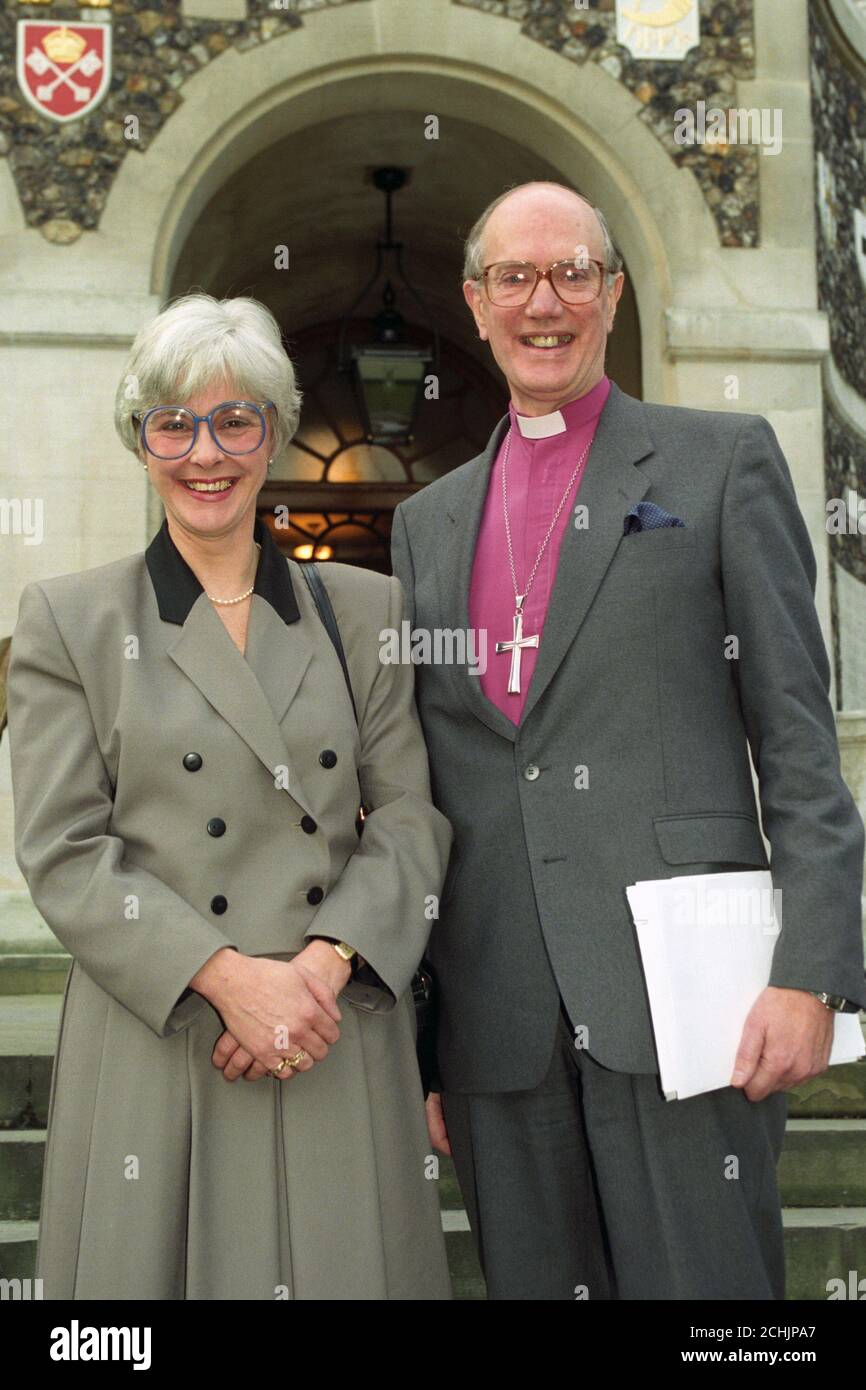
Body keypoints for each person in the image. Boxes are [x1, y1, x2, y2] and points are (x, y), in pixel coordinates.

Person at [390, 181, 866, 1300]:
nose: (541, 301)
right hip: (496, 1019)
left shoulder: (720, 461)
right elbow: (420, 788)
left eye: (570, 273)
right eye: (514, 276)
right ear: (474, 301)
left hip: (689, 999)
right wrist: (421, 1045)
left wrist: (813, 974)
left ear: (610, 294)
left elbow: (795, 740)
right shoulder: (426, 522)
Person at [7, 292, 453, 1301]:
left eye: (234, 419)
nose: (204, 452)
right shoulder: (71, 620)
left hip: (332, 1029)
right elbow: (65, 848)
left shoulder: (364, 608)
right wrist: (227, 980)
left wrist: (318, 973)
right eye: (174, 423)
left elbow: (411, 820)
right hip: (164, 1033)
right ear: (141, 439)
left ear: (273, 433)